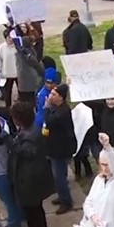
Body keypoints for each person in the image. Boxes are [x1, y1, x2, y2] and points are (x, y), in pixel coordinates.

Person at [7, 101, 54, 227]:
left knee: (34, 210)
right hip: (27, 178)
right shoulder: (27, 130)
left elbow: (28, 152)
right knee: (30, 209)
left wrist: (10, 142)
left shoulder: (32, 135)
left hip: (30, 179)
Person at [42, 84, 76, 215]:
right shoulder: (57, 108)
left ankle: (66, 202)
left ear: (61, 97)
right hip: (54, 146)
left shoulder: (62, 112)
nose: (50, 96)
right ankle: (62, 196)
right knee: (57, 174)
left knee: (59, 176)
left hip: (61, 149)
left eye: (54, 95)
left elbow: (49, 120)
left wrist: (46, 106)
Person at [14, 24, 46, 116]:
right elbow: (36, 65)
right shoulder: (28, 54)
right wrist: (43, 73)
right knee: (31, 102)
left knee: (24, 101)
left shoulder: (19, 53)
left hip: (22, 82)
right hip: (30, 82)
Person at [0, 27, 18, 106]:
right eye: (9, 37)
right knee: (7, 93)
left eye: (12, 37)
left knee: (21, 92)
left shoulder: (17, 46)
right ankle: (8, 109)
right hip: (7, 74)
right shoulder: (2, 47)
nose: (11, 39)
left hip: (17, 73)